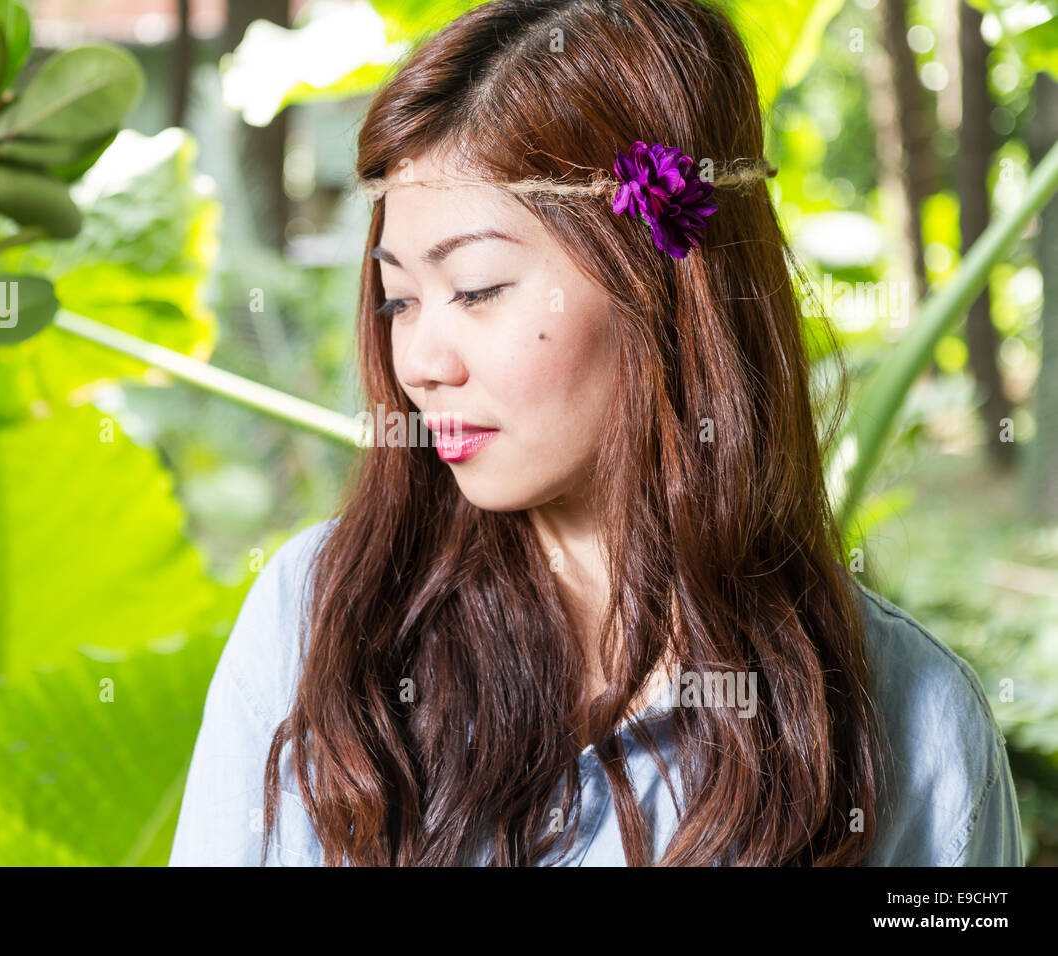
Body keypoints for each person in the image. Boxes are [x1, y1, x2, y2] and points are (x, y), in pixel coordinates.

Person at [170, 0, 1023, 866]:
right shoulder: (314, 623)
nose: (420, 362)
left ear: (658, 288)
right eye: (397, 298)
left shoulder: (916, 724)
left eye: (474, 289)